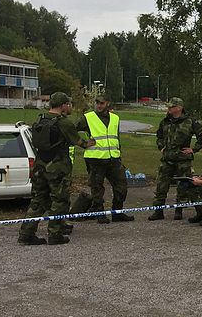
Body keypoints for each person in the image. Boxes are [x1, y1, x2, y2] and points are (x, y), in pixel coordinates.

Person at [18, 92, 96, 246]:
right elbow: (80, 142)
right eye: (69, 104)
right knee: (59, 200)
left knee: (38, 201)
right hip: (57, 168)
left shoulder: (41, 119)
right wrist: (91, 143)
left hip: (40, 166)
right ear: (63, 106)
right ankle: (55, 234)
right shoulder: (63, 123)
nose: (70, 107)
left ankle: (26, 233)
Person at [76, 93, 134, 223]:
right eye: (97, 103)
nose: (99, 105)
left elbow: (116, 138)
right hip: (95, 159)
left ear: (108, 103)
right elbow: (72, 131)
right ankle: (99, 213)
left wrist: (119, 154)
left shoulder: (115, 118)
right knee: (97, 188)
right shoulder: (88, 117)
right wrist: (83, 143)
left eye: (101, 103)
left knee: (121, 186)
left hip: (113, 159)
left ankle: (117, 212)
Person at [149, 97, 202, 221]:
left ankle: (179, 210)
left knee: (184, 186)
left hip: (183, 159)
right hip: (167, 158)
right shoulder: (165, 122)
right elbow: (159, 136)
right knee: (161, 185)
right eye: (169, 107)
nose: (169, 109)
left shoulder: (190, 121)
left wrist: (194, 149)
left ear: (179, 108)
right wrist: (161, 147)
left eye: (172, 107)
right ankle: (158, 211)